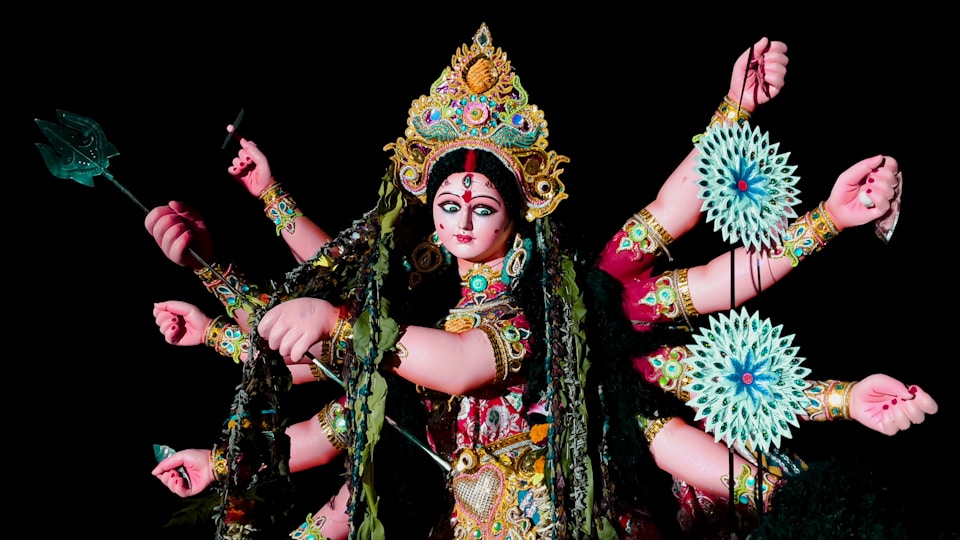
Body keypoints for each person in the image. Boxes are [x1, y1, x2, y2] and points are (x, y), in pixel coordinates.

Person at [148, 24, 936, 540]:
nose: (459, 222)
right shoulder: (417, 316)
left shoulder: (540, 314)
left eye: (481, 205)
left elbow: (680, 230)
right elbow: (320, 418)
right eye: (447, 204)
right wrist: (213, 458)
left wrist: (758, 133)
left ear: (517, 215)